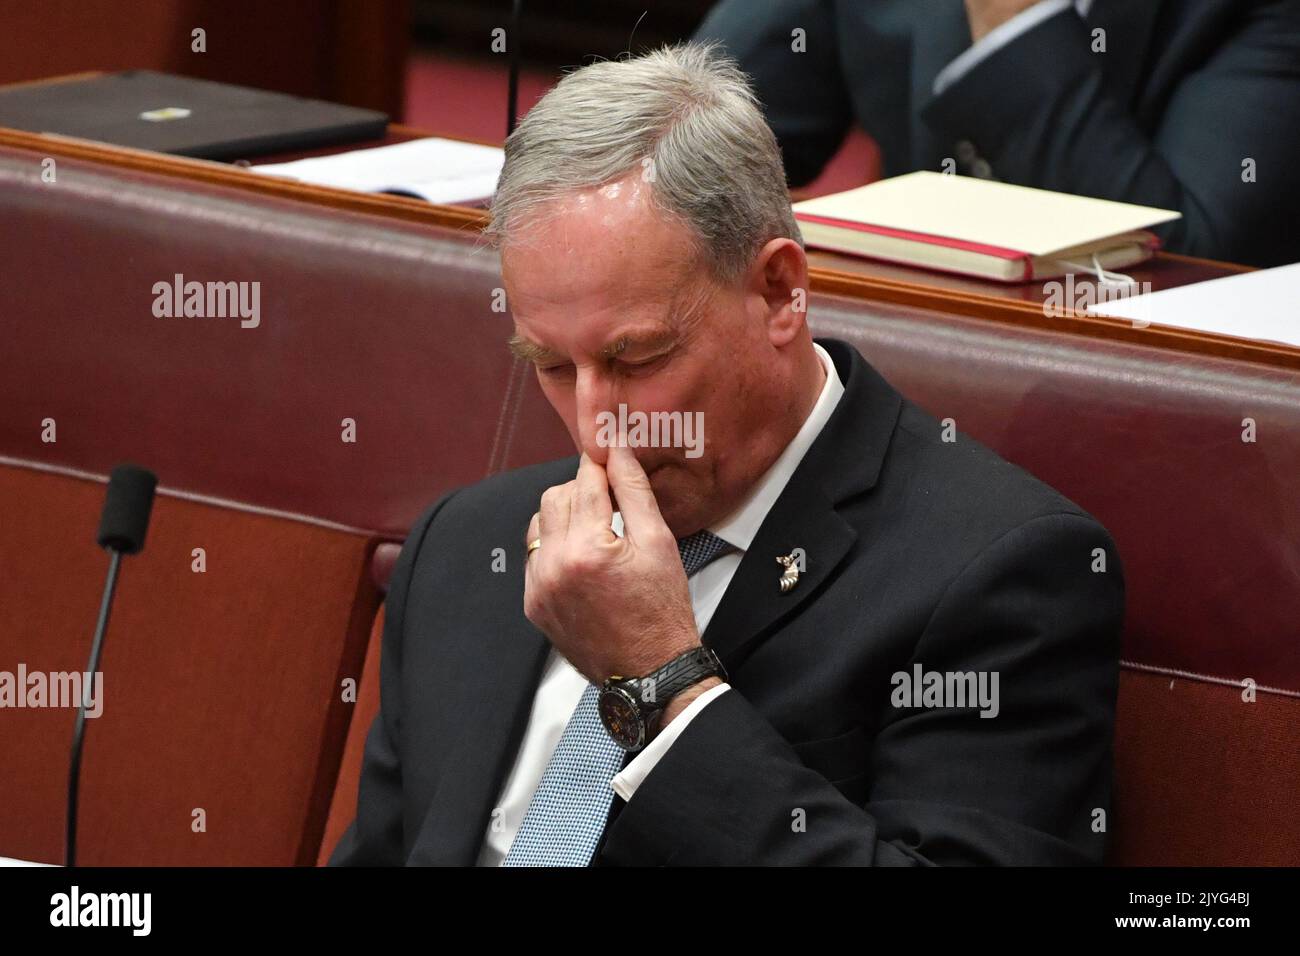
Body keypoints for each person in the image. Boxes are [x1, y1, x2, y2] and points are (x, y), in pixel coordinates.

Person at [330, 42, 1123, 867]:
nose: (597, 427)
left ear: (779, 291)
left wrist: (662, 680)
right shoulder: (467, 545)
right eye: (554, 367)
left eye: (636, 359)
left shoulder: (999, 572)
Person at [695, 0, 1300, 267]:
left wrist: (1011, 20)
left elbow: (1190, 256)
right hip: (905, 387)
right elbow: (689, 153)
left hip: (1156, 416)